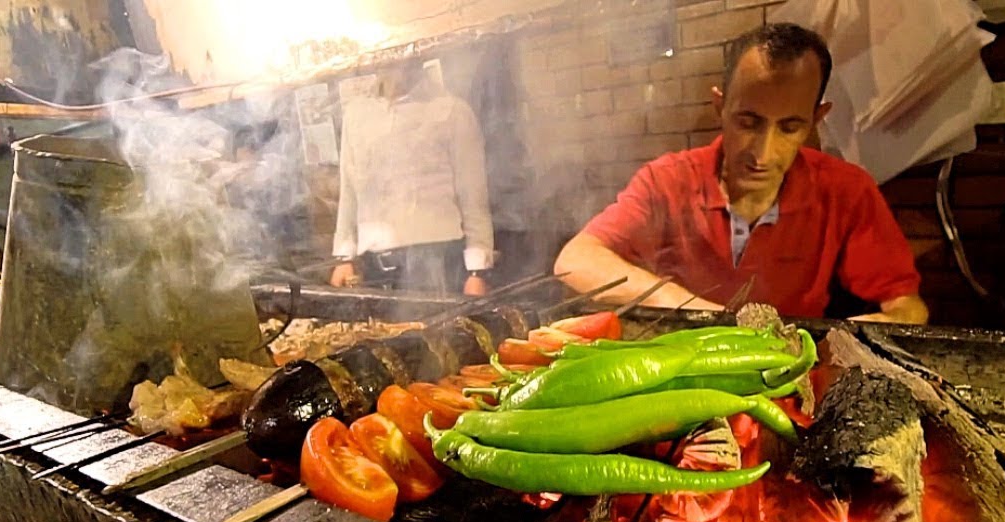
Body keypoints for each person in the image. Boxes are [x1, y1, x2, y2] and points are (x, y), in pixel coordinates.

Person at [553, 23, 928, 323]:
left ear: (817, 118)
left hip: (790, 369)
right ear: (720, 105)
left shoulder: (845, 190)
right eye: (748, 122)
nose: (763, 154)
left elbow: (907, 306)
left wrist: (870, 329)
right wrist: (709, 316)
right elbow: (576, 261)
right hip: (682, 363)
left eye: (790, 127)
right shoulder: (668, 180)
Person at [330, 58, 493, 295]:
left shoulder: (451, 110)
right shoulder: (356, 114)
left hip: (438, 262)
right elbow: (349, 190)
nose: (395, 66)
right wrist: (344, 258)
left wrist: (477, 272)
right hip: (375, 268)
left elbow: (473, 197)